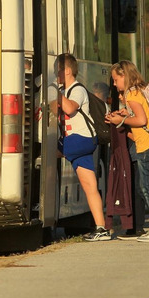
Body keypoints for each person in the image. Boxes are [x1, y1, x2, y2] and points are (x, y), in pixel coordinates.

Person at [105, 60, 149, 242]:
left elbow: (141, 120)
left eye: (115, 79)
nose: (114, 83)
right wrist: (124, 115)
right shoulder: (141, 89)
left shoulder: (131, 94)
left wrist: (119, 121)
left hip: (147, 145)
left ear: (124, 76)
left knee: (148, 188)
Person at [54, 53, 110, 241]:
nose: (56, 74)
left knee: (46, 153)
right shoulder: (65, 91)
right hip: (77, 142)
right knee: (89, 185)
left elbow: (70, 108)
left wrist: (55, 91)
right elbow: (57, 110)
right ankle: (101, 228)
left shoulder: (77, 89)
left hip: (82, 138)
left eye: (58, 71)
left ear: (68, 71)